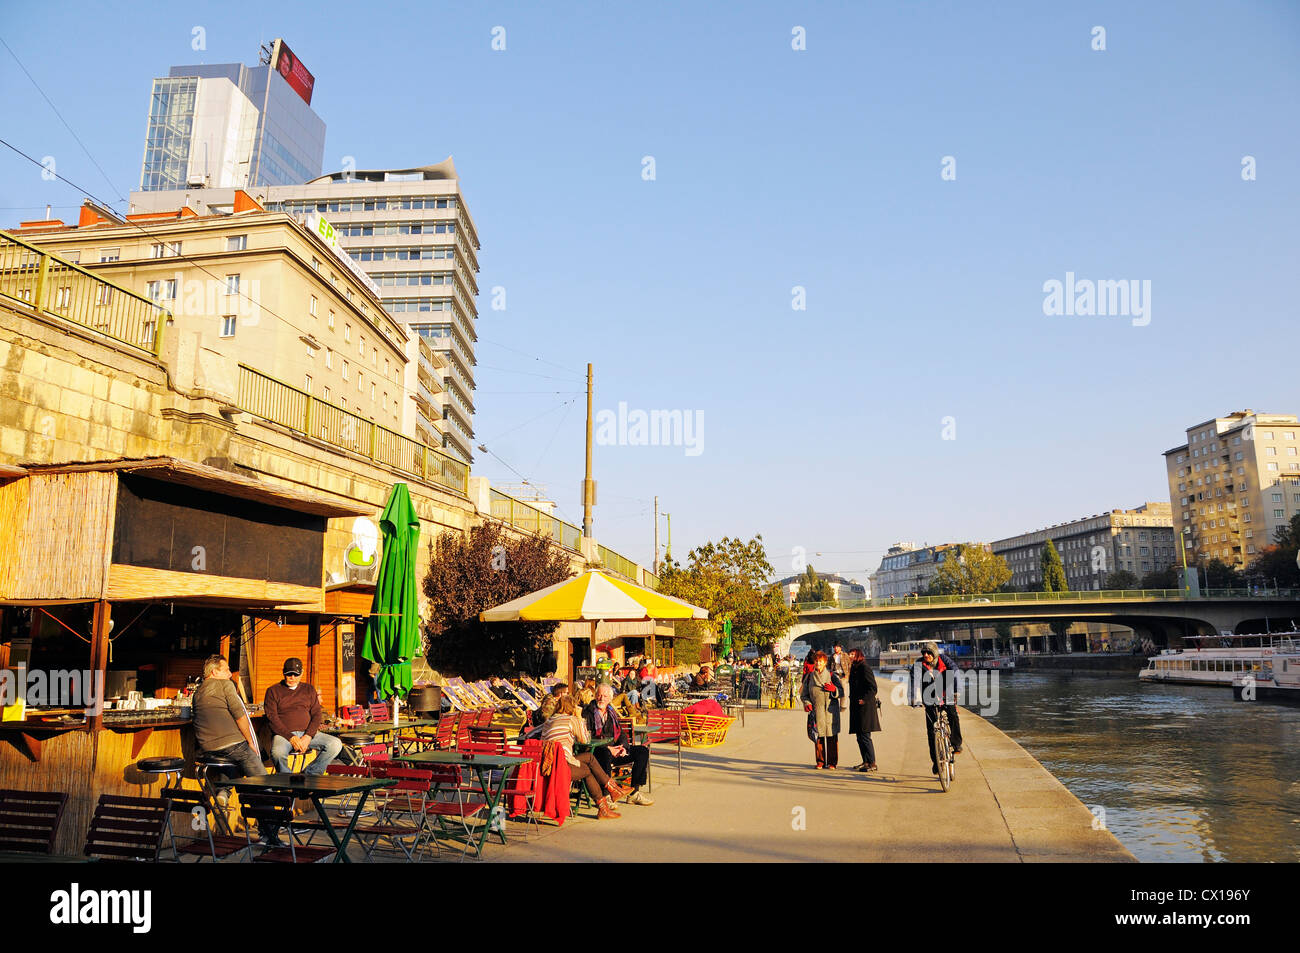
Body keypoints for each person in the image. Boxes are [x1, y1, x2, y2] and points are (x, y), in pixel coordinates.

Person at [192, 654, 276, 843]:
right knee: (262, 784)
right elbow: (241, 717)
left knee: (234, 759)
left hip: (207, 750)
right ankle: (270, 834)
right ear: (215, 672)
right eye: (227, 669)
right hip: (231, 745)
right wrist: (251, 742)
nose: (231, 674)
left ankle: (224, 791)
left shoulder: (198, 692)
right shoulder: (225, 685)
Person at [541, 696, 626, 818]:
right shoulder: (571, 720)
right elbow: (585, 740)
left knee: (589, 759)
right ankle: (610, 793)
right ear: (572, 707)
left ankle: (609, 797)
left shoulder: (549, 720)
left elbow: (530, 734)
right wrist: (579, 717)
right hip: (561, 764)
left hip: (549, 762)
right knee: (588, 767)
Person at [265, 657, 343, 776]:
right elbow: (272, 718)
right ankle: (288, 782)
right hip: (283, 735)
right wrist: (290, 736)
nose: (292, 678)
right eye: (289, 674)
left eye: (295, 675)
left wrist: (308, 736)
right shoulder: (273, 691)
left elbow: (317, 714)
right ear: (283, 673)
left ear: (301, 673)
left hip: (308, 733)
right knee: (277, 753)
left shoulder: (309, 689)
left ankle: (310, 775)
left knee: (335, 744)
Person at [584, 683, 654, 805]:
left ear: (610, 699)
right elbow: (588, 738)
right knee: (605, 753)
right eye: (599, 695)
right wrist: (608, 748)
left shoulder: (611, 712)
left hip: (615, 750)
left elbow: (620, 733)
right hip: (598, 751)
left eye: (605, 696)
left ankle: (634, 793)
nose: (602, 698)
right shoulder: (588, 712)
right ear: (595, 696)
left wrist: (623, 748)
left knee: (642, 751)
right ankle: (606, 796)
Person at [908, 641, 964, 776]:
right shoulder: (918, 665)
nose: (926, 655)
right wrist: (913, 699)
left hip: (947, 692)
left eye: (929, 653)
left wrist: (957, 691)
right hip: (929, 696)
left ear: (935, 653)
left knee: (953, 715)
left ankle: (956, 744)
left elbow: (955, 673)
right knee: (931, 731)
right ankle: (936, 762)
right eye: (924, 653)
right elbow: (913, 682)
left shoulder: (945, 660)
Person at [801, 651, 843, 769]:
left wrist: (834, 689)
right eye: (816, 661)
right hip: (816, 711)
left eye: (820, 661)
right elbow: (804, 695)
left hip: (830, 711)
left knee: (832, 737)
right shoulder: (809, 676)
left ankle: (832, 762)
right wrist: (807, 703)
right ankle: (820, 761)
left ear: (825, 663)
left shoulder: (832, 675)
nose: (818, 663)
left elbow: (842, 692)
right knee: (818, 737)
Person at [847, 649, 881, 772]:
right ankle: (865, 761)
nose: (850, 656)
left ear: (858, 656)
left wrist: (864, 699)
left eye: (852, 654)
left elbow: (873, 687)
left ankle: (872, 763)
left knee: (865, 735)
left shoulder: (864, 668)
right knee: (859, 736)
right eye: (849, 654)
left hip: (865, 707)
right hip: (856, 706)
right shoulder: (855, 668)